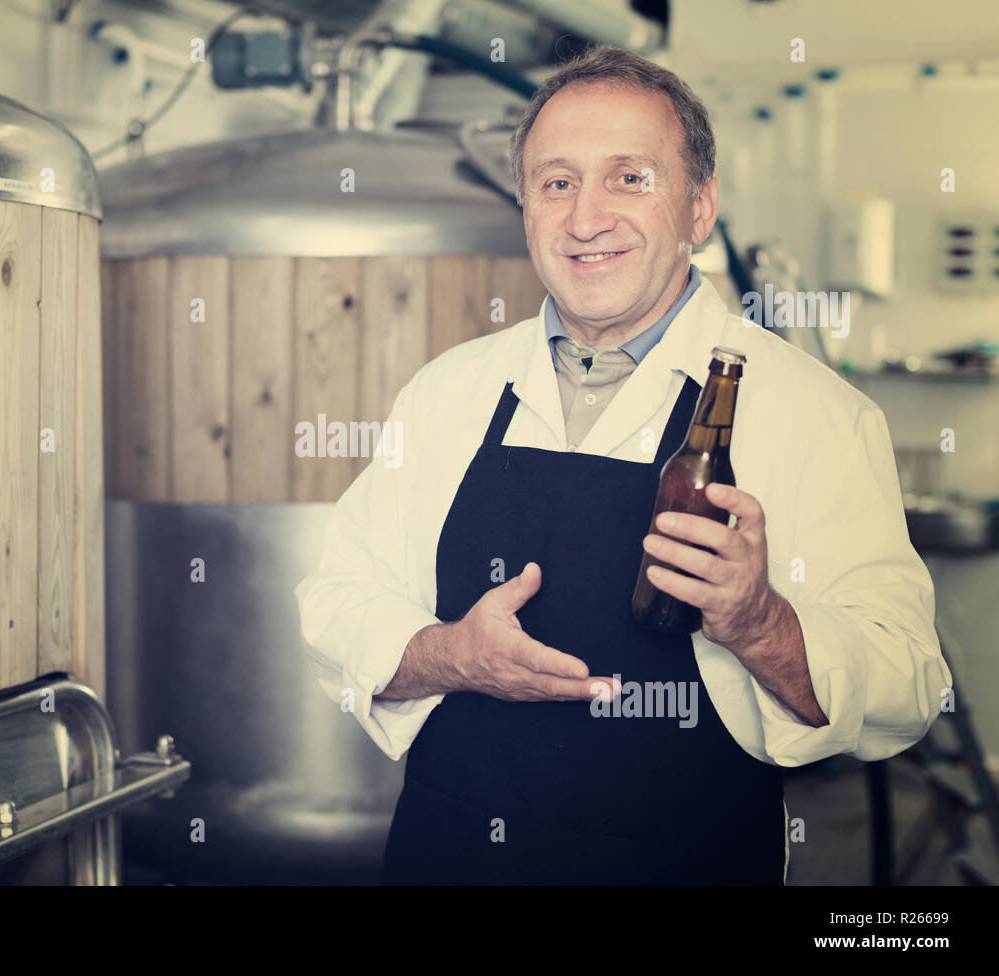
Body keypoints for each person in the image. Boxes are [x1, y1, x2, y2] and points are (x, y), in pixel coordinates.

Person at [293, 45, 951, 884]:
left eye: (630, 178)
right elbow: (335, 603)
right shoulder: (448, 391)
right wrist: (452, 654)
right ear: (524, 207)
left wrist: (760, 623)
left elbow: (910, 684)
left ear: (700, 209)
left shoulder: (812, 412)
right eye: (556, 182)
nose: (585, 217)